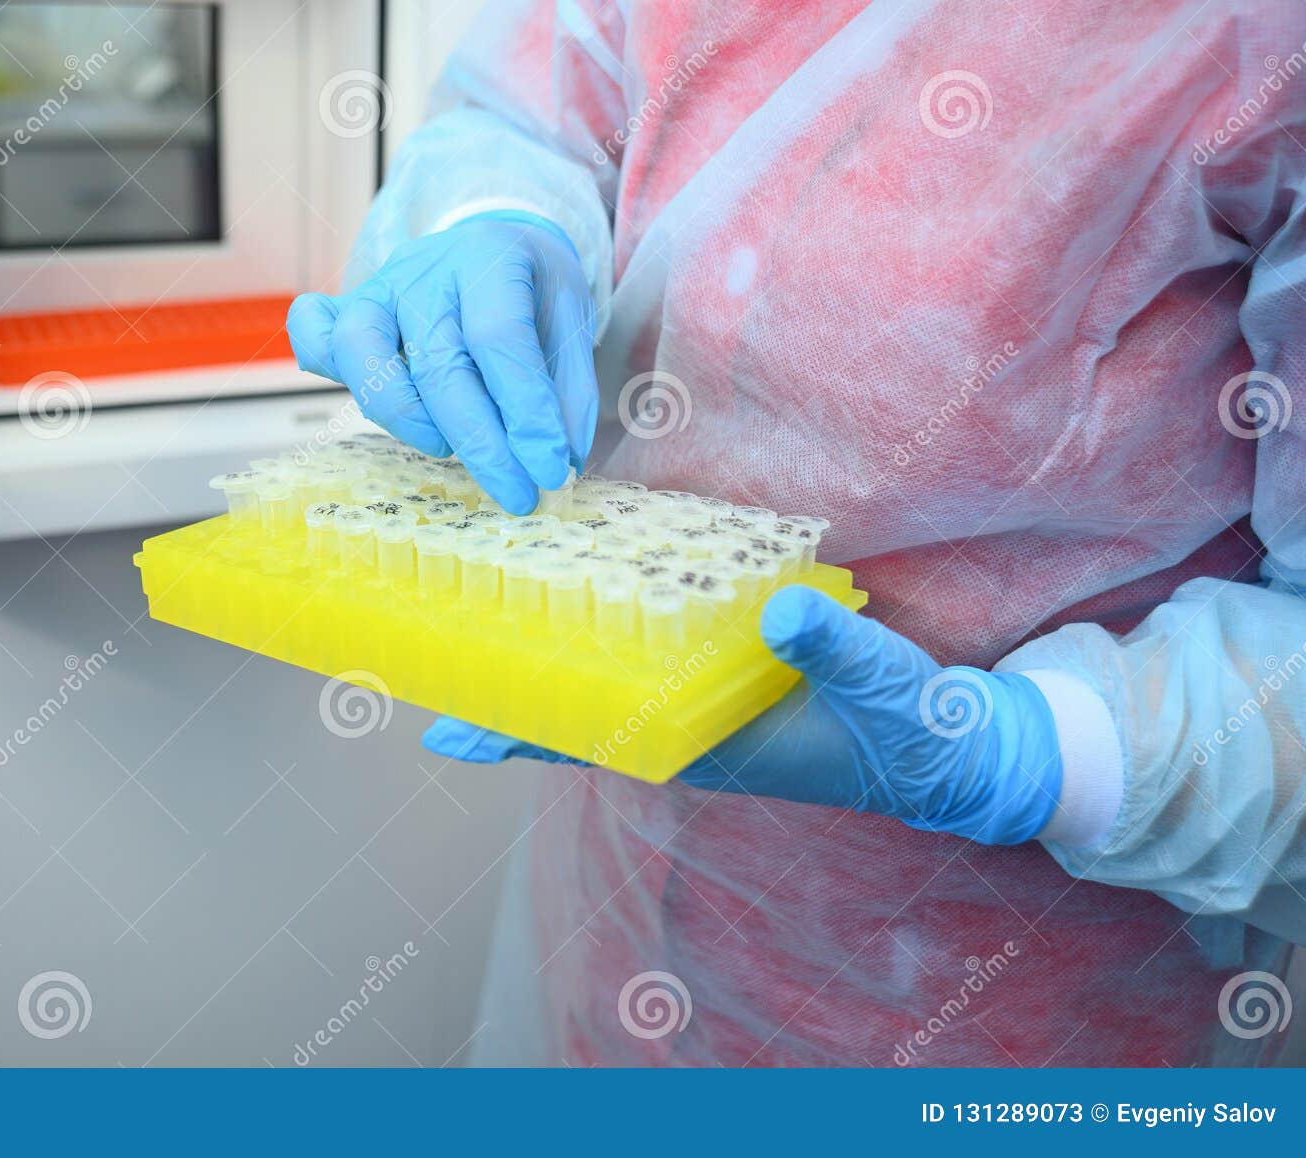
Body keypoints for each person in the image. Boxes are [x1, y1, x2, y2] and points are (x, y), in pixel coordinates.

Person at [287, 0, 1306, 1064]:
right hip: (615, 905)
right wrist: (492, 221)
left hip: (1021, 1011)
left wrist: (1033, 759)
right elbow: (531, 112)